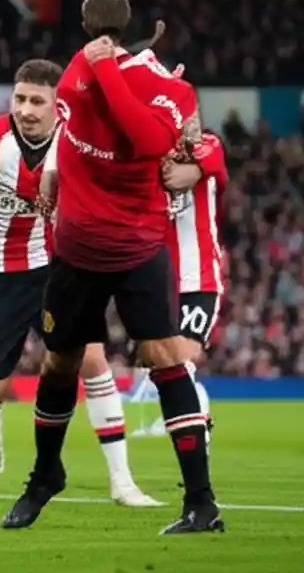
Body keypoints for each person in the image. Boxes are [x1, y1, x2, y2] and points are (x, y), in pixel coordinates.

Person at [1, 0, 223, 535]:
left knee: (166, 358)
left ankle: (201, 503)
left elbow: (146, 140)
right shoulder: (93, 74)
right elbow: (120, 132)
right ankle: (45, 476)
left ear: (86, 24)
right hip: (76, 252)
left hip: (137, 250)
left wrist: (109, 71)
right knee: (59, 363)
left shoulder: (121, 78)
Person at [0, 59, 159, 507]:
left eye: (37, 101)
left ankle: (122, 481)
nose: (25, 109)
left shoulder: (75, 139)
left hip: (56, 267)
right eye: (20, 98)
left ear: (57, 104)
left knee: (92, 360)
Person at [134, 130, 227, 438]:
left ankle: (198, 424)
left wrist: (175, 168)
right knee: (159, 360)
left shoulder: (208, 145)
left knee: (181, 356)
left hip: (197, 277)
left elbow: (181, 175)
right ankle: (185, 418)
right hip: (158, 278)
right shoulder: (146, 149)